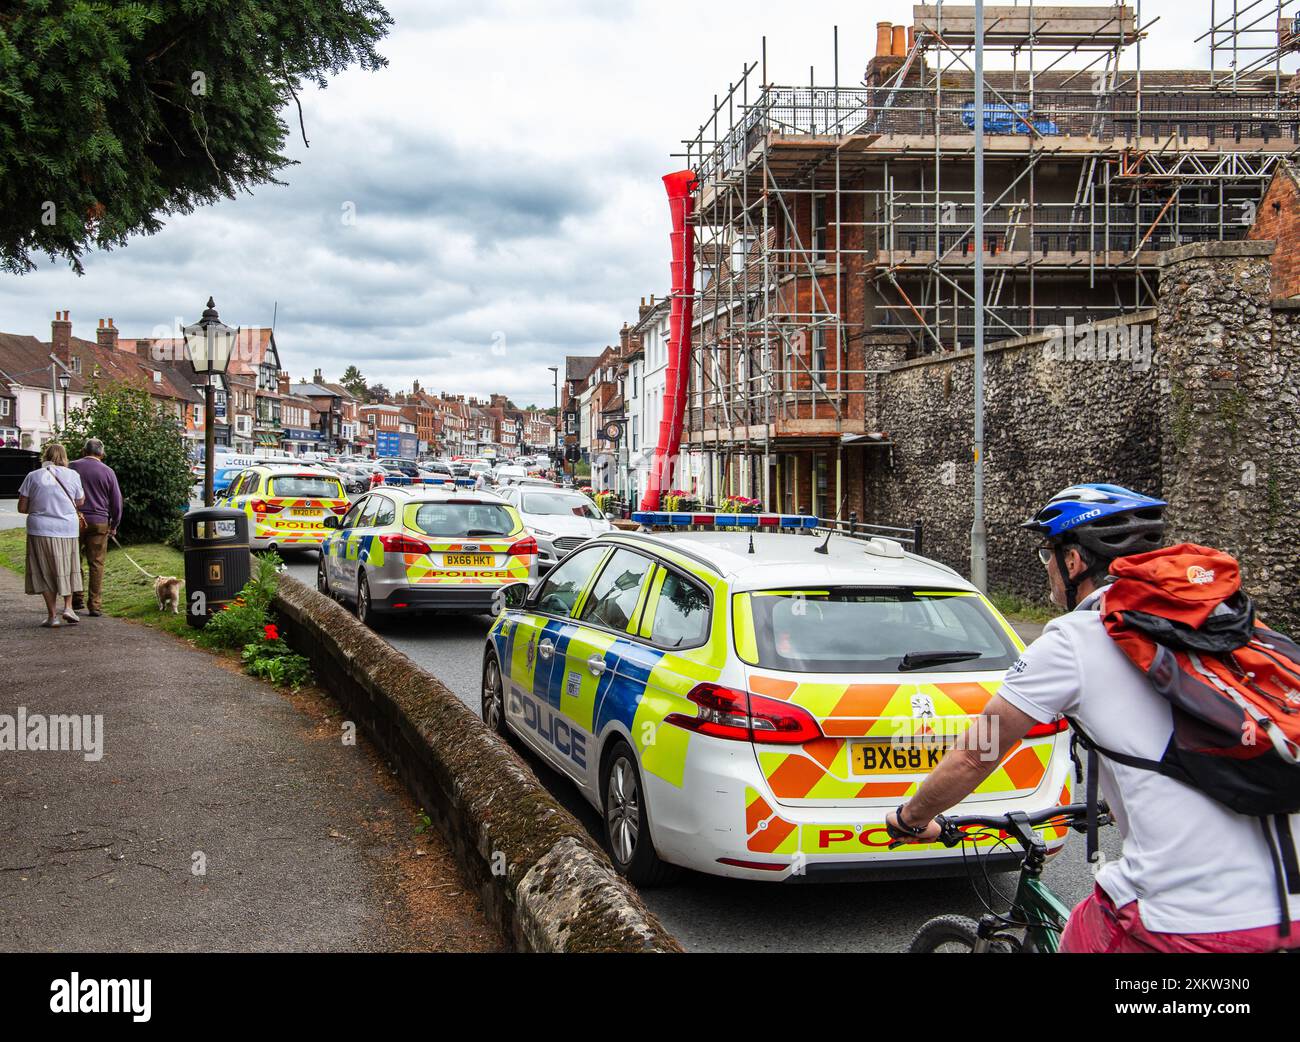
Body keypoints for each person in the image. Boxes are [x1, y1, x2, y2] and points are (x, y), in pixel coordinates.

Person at [885, 483, 1300, 952]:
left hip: (1189, 918)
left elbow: (975, 755)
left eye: (1048, 556)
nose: (1048, 571)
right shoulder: (1232, 621)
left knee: (1087, 925)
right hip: (1290, 904)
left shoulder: (1075, 640)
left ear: (1074, 562)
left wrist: (912, 817)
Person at [17, 442, 85, 628]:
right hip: (67, 529)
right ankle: (69, 607)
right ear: (64, 457)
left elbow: (22, 507)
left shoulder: (33, 476)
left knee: (44, 570)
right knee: (68, 567)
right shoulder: (73, 475)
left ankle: (52, 616)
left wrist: (41, 507)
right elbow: (80, 501)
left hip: (40, 529)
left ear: (45, 456)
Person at [69, 437, 123, 616]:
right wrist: (114, 524)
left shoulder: (71, 467)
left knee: (74, 559)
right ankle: (95, 605)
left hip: (75, 520)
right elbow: (116, 503)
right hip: (99, 521)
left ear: (84, 451)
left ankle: (76, 598)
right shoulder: (108, 472)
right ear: (102, 454)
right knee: (97, 563)